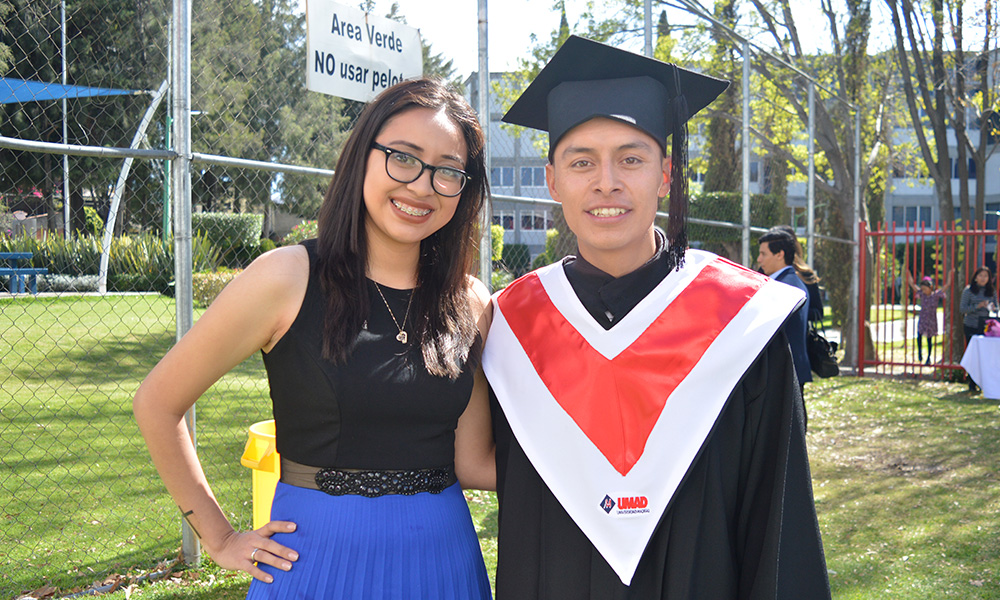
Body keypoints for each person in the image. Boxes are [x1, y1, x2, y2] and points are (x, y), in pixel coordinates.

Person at [483, 36, 830, 599]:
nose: (606, 182)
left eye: (631, 159)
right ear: (552, 181)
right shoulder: (511, 326)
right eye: (581, 162)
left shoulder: (741, 324)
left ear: (666, 175)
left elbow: (778, 525)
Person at [133, 78, 495, 599]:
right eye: (403, 157)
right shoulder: (287, 277)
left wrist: (601, 470)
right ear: (362, 156)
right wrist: (220, 538)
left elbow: (474, 461)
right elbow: (157, 403)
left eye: (447, 171)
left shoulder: (471, 302)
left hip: (444, 565)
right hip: (319, 563)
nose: (422, 185)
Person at [757, 228, 812, 396]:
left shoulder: (783, 287)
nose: (759, 260)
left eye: (763, 254)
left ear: (780, 254)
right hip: (787, 372)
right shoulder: (790, 281)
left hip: (782, 374)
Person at [773, 224, 824, 324]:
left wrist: (796, 309)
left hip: (796, 331)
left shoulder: (805, 274)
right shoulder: (764, 273)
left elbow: (818, 312)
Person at [905, 270, 952, 365]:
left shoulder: (935, 295)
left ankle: (928, 357)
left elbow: (947, 286)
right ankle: (919, 353)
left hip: (931, 319)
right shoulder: (922, 295)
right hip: (923, 318)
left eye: (925, 289)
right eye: (922, 289)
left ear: (930, 288)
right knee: (919, 335)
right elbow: (912, 285)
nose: (923, 291)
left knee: (929, 339)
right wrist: (908, 274)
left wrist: (950, 275)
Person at [960, 266, 995, 392]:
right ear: (975, 277)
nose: (983, 278)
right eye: (980, 275)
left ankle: (983, 381)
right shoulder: (968, 291)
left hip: (986, 328)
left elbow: (996, 308)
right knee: (973, 354)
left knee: (984, 355)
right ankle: (971, 382)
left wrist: (993, 308)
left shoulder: (991, 291)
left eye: (986, 276)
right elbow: (962, 309)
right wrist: (977, 306)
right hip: (971, 325)